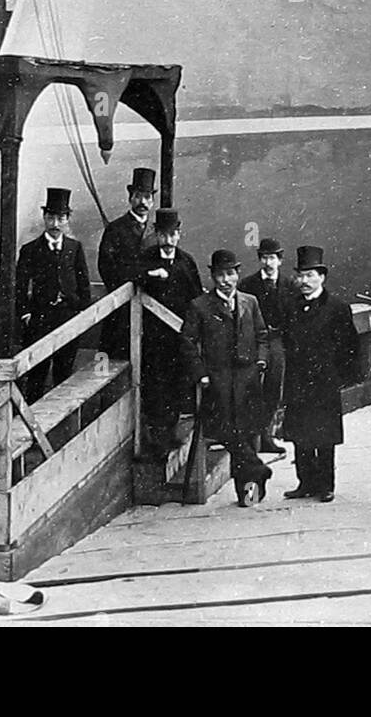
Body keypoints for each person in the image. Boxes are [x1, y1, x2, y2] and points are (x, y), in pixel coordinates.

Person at [181, 250, 272, 506]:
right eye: (220, 274)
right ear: (212, 276)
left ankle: (249, 494)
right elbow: (188, 343)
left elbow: (262, 335)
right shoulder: (199, 306)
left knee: (245, 433)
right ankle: (258, 470)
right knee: (228, 433)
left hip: (247, 380)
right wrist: (201, 375)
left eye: (230, 274)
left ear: (237, 274)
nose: (225, 280)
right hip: (218, 382)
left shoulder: (249, 302)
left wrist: (261, 361)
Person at [281, 246, 359, 503]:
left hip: (325, 382)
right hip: (298, 381)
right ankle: (305, 482)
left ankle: (326, 484)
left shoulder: (337, 307)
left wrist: (339, 378)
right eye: (300, 276)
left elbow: (350, 347)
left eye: (310, 275)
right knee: (300, 435)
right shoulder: (291, 306)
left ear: (322, 277)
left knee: (324, 436)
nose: (304, 281)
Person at [134, 208, 202, 455]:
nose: (169, 239)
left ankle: (171, 432)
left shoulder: (186, 261)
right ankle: (157, 438)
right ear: (157, 234)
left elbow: (197, 297)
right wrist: (151, 274)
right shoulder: (148, 258)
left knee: (177, 384)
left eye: (173, 234)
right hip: (154, 337)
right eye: (164, 234)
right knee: (156, 386)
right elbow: (132, 278)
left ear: (179, 235)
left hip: (179, 337)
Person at [16, 188, 93, 401]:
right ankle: (29, 420)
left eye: (61, 218)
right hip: (40, 318)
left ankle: (61, 421)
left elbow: (83, 283)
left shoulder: (74, 248)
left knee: (64, 370)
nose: (55, 224)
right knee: (37, 373)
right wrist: (25, 314)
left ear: (67, 219)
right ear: (44, 218)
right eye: (51, 218)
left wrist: (82, 312)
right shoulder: (30, 250)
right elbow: (20, 287)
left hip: (68, 316)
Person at [238, 237, 297, 454]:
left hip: (277, 341)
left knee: (274, 389)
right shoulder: (247, 284)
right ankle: (252, 437)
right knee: (253, 389)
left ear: (280, 260)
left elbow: (293, 317)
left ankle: (265, 435)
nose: (268, 262)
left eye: (272, 258)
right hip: (254, 341)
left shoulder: (289, 285)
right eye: (264, 257)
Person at [97, 167, 156, 361]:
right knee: (115, 356)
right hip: (121, 304)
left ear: (152, 201)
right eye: (138, 196)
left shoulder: (156, 233)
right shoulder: (116, 229)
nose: (142, 202)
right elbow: (106, 266)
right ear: (130, 198)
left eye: (147, 197)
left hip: (151, 306)